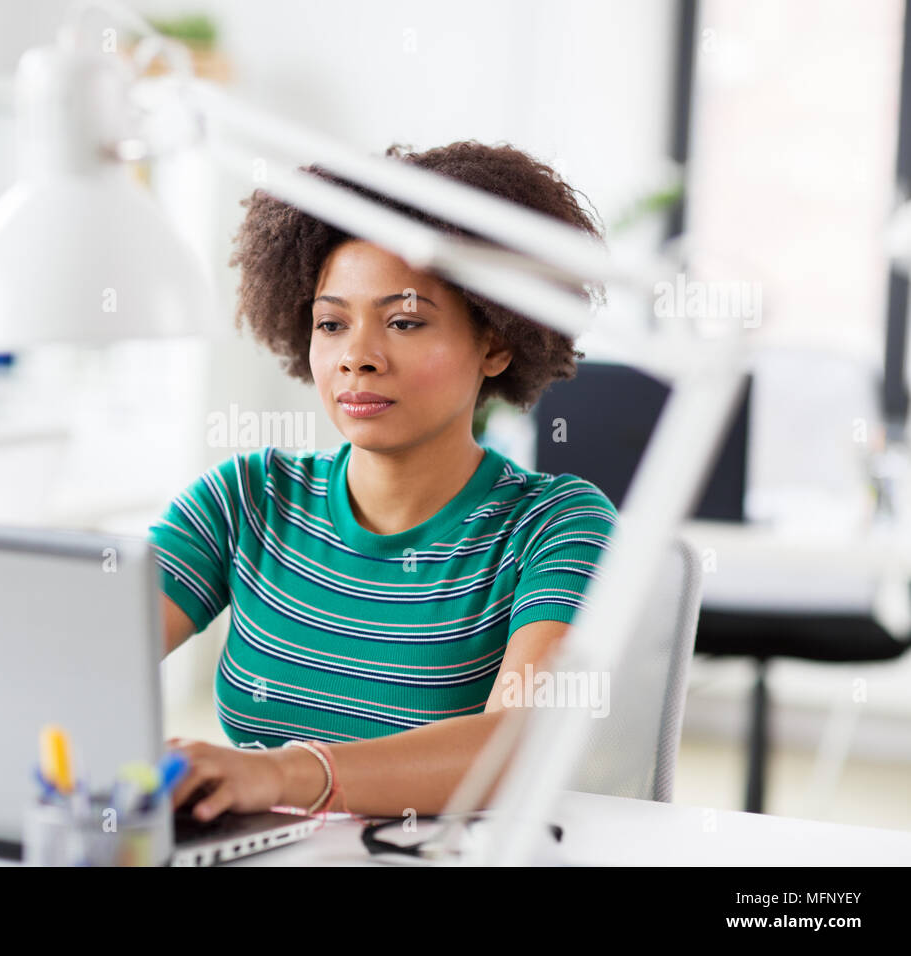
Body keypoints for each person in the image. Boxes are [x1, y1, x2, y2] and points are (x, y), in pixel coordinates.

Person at [149, 140, 617, 821]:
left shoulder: (557, 526)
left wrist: (283, 775)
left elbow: (523, 745)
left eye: (403, 322)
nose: (356, 359)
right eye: (332, 323)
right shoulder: (245, 500)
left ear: (496, 343)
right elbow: (86, 655)